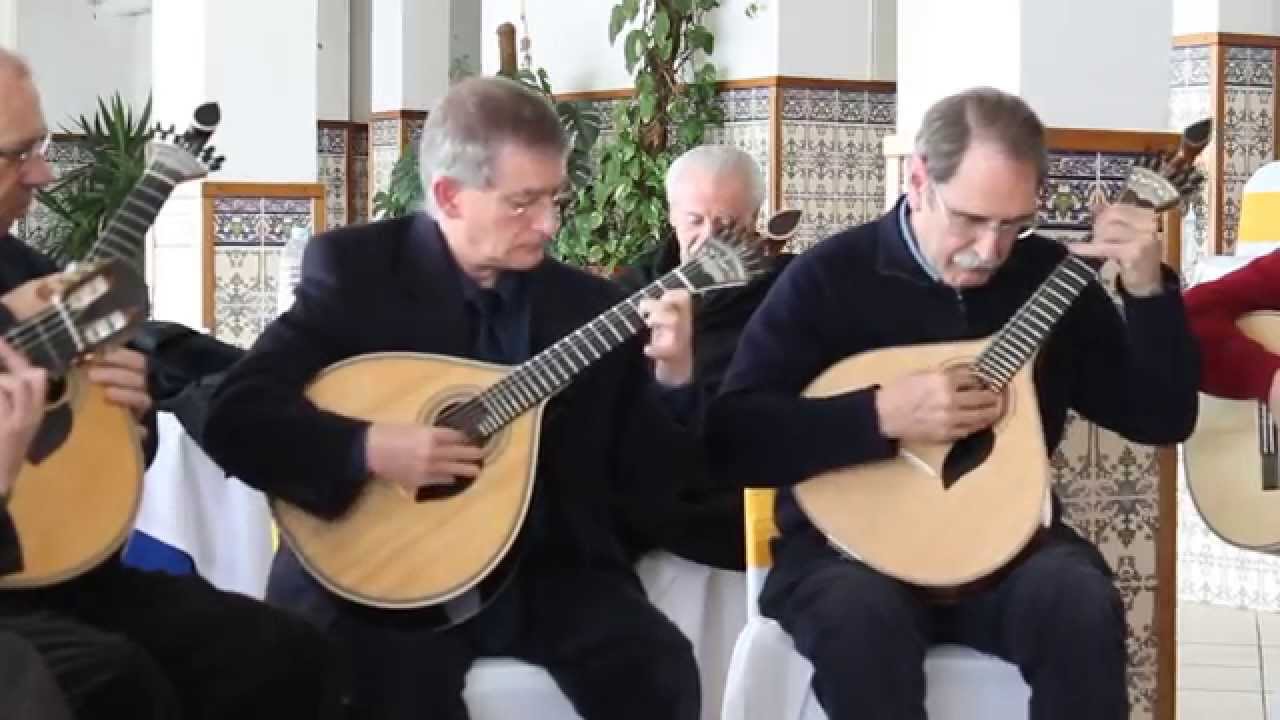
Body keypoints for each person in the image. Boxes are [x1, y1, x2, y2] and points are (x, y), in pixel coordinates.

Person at [201, 75, 702, 720]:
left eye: (555, 198)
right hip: (378, 575)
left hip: (545, 572)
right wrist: (366, 448)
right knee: (385, 688)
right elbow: (237, 418)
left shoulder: (585, 308)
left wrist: (674, 378)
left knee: (658, 669)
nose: (548, 224)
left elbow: (654, 479)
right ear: (448, 196)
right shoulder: (357, 275)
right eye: (522, 203)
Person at [705, 86, 1200, 719]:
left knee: (1078, 599)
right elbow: (734, 440)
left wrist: (1147, 291)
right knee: (861, 625)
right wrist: (879, 415)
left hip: (1006, 553)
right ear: (918, 180)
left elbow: (1161, 417)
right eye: (969, 219)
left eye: (1012, 224)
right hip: (848, 556)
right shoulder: (830, 278)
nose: (990, 250)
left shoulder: (1046, 275)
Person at [0, 48, 345, 720]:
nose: (43, 173)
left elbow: (111, 456)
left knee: (282, 652)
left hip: (64, 575)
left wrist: (124, 413)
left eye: (41, 147)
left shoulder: (30, 273)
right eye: (19, 154)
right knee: (115, 681)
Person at [617, 143, 795, 571]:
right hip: (648, 466)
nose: (710, 238)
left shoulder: (788, 291)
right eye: (695, 220)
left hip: (735, 480)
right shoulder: (633, 287)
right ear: (672, 215)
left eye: (727, 223)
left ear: (754, 219)